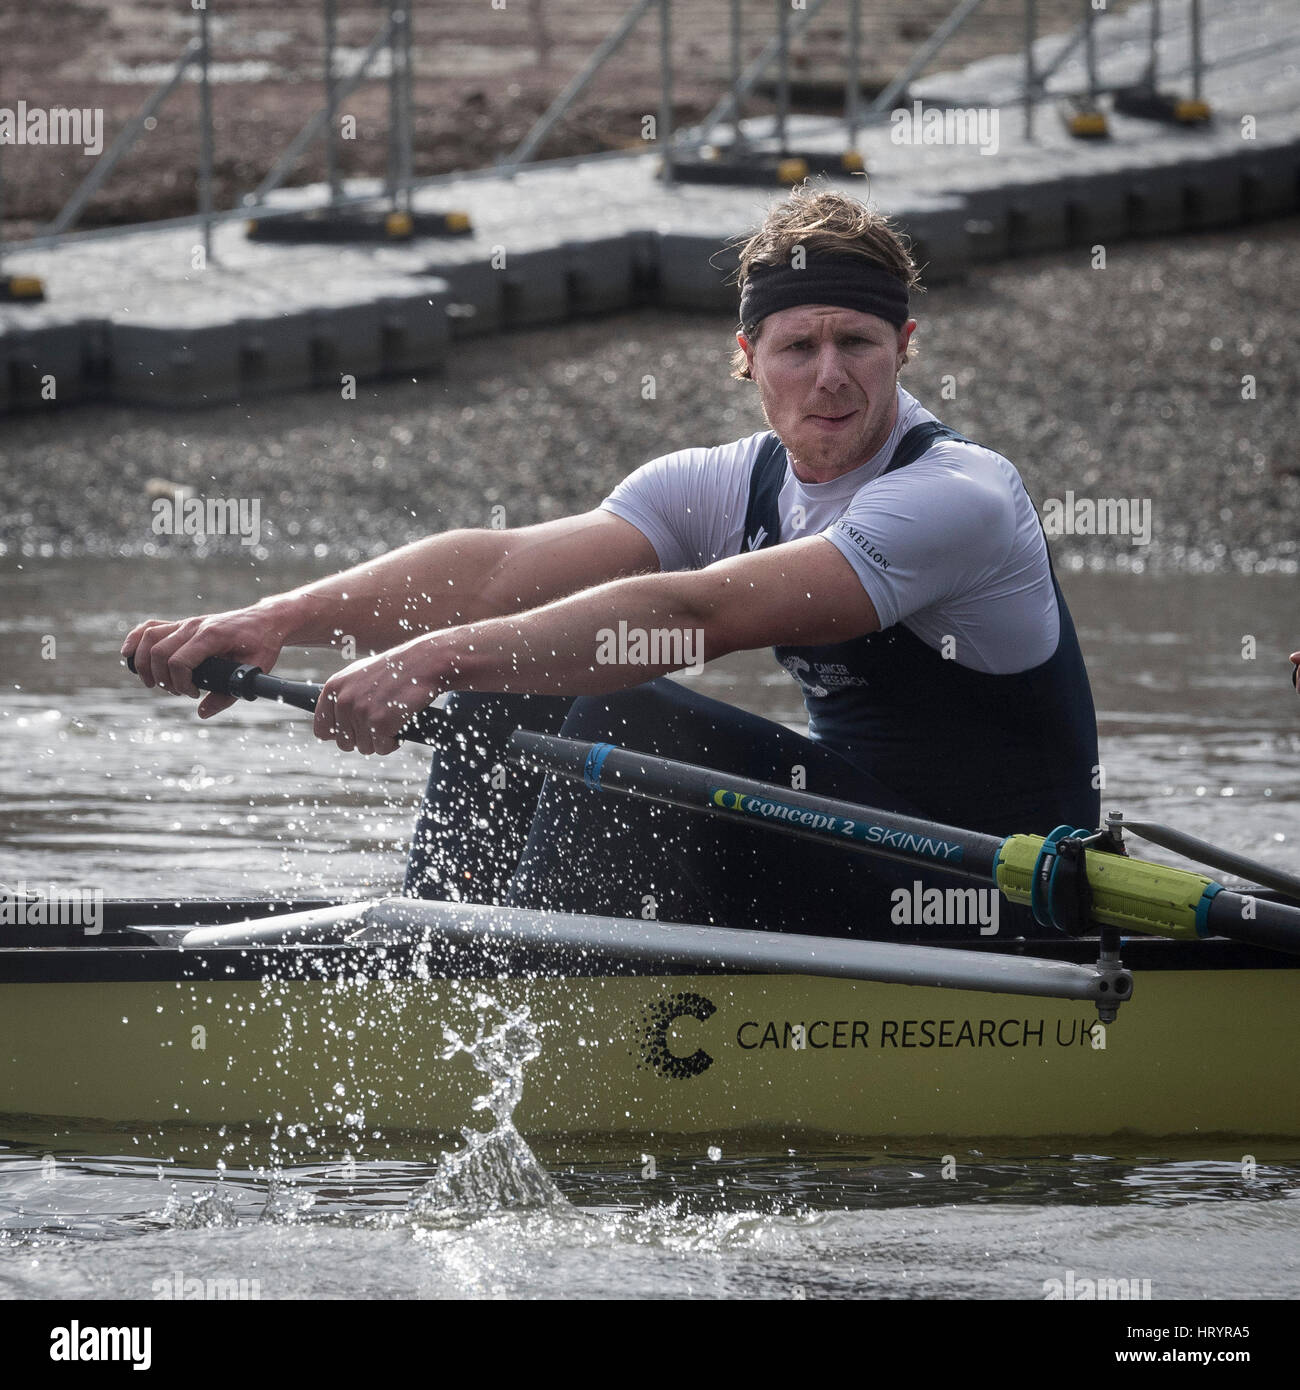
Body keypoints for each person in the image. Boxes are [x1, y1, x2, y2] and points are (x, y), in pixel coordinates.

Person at [123, 186, 1099, 939]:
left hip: (988, 895)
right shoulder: (721, 483)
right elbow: (503, 570)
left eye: (858, 341)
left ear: (906, 347)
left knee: (628, 710)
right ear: (748, 354)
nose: (830, 373)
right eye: (798, 345)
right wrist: (278, 617)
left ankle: (527, 1007)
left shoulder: (957, 498)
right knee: (510, 690)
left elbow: (695, 614)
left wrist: (431, 660)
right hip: (844, 860)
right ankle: (452, 957)